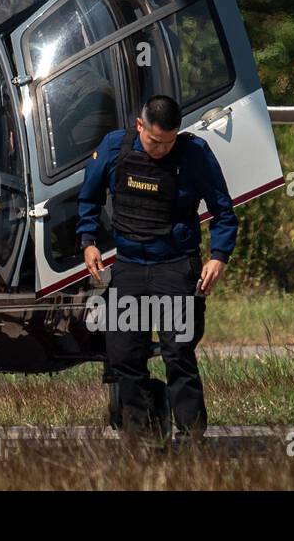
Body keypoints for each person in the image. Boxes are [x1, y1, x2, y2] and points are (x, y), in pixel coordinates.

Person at [77, 94, 237, 438]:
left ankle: (192, 436)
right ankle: (142, 433)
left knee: (178, 353)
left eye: (168, 142)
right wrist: (88, 241)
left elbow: (224, 212)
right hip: (130, 267)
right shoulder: (114, 148)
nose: (161, 149)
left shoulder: (194, 154)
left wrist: (218, 256)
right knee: (123, 356)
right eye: (154, 141)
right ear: (139, 126)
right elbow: (88, 197)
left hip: (175, 266)